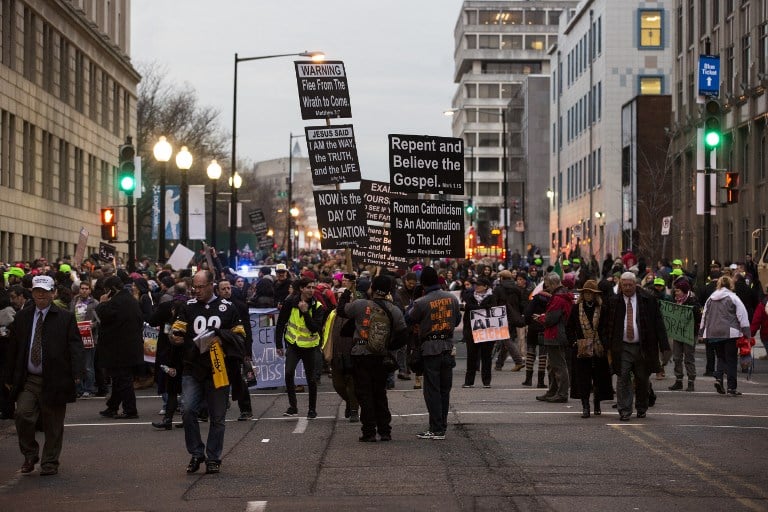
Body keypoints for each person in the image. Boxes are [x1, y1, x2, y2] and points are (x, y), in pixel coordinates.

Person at [4, 275, 84, 476]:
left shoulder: (65, 317)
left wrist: (77, 373)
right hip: (29, 379)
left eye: (46, 291)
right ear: (32, 292)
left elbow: (75, 346)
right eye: (38, 291)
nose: (42, 295)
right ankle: (30, 454)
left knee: (53, 424)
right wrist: (7, 376)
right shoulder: (23, 317)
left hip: (56, 379)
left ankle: (50, 462)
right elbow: (13, 348)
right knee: (23, 415)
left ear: (53, 293)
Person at [172, 270, 246, 474]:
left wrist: (222, 337)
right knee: (187, 410)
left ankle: (213, 457)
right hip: (192, 367)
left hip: (218, 368)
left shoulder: (228, 308)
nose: (196, 291)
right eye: (194, 287)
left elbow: (240, 335)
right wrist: (175, 336)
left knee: (218, 416)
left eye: (200, 287)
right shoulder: (187, 307)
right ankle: (196, 452)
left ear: (211, 285)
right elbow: (177, 329)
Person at [337, 275, 407, 442]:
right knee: (380, 393)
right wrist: (389, 347)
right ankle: (385, 431)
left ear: (372, 289)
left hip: (361, 355)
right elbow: (404, 334)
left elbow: (340, 310)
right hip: (381, 357)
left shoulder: (361, 305)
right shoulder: (394, 310)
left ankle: (368, 432)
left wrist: (347, 290)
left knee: (364, 394)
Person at [406, 267, 461, 440]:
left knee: (432, 390)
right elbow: (457, 319)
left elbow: (408, 318)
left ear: (423, 283)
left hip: (430, 348)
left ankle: (436, 428)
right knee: (445, 389)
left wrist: (413, 301)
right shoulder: (452, 298)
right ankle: (441, 426)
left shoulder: (422, 302)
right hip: (447, 346)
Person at [606, 272, 669, 421]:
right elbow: (607, 325)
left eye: (630, 285)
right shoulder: (614, 301)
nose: (627, 288)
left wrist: (664, 346)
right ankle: (624, 410)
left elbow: (658, 323)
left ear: (635, 285)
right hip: (622, 347)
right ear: (621, 285)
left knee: (642, 379)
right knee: (623, 377)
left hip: (643, 347)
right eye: (624, 285)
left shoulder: (648, 300)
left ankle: (641, 407)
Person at [275, 277, 327, 419]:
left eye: (313, 287)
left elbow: (314, 328)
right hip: (293, 345)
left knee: (311, 379)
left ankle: (312, 409)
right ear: (301, 289)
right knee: (288, 373)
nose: (311, 290)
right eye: (308, 287)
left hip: (310, 347)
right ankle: (293, 406)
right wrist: (278, 344)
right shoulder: (290, 303)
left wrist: (305, 312)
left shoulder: (317, 306)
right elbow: (280, 323)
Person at [95, 275, 144, 420]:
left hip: (119, 349)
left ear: (111, 289)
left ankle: (130, 410)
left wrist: (102, 302)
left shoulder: (116, 302)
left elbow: (103, 314)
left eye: (106, 290)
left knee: (123, 379)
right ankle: (112, 406)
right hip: (128, 347)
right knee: (118, 379)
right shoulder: (130, 300)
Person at [566, 279, 613, 417]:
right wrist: (574, 342)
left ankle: (597, 404)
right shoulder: (576, 308)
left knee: (598, 378)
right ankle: (585, 406)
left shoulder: (602, 308)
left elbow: (606, 328)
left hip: (599, 348)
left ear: (595, 295)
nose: (588, 295)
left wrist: (604, 344)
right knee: (583, 379)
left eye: (590, 293)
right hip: (582, 349)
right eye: (586, 293)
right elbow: (569, 328)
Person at [699, 275, 751, 396]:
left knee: (721, 357)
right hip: (730, 333)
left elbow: (704, 315)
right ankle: (731, 388)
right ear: (731, 285)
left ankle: (719, 378)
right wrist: (747, 332)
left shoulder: (710, 299)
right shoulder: (733, 298)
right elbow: (742, 315)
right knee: (731, 360)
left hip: (713, 333)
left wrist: (701, 331)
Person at [217, 280, 254, 421]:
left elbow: (247, 329)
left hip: (235, 348)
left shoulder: (239, 306)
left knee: (238, 379)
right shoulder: (214, 306)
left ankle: (246, 410)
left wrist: (247, 349)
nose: (227, 290)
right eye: (223, 288)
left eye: (228, 288)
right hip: (218, 347)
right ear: (218, 291)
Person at [534, 273, 573, 403]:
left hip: (555, 334)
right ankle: (553, 391)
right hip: (557, 334)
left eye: (548, 285)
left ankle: (561, 393)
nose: (547, 287)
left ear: (553, 284)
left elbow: (551, 319)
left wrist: (540, 318)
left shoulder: (557, 298)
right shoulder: (562, 296)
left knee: (558, 366)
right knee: (552, 366)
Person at [461, 276, 496, 388]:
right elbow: (468, 309)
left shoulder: (492, 297)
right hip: (471, 330)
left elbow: (494, 309)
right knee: (471, 356)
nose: (476, 286)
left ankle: (486, 382)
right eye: (475, 284)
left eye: (479, 285)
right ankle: (469, 382)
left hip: (487, 331)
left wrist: (480, 308)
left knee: (486, 356)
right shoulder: (470, 296)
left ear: (486, 287)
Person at [668, 278, 702, 392]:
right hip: (677, 333)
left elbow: (698, 317)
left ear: (684, 291)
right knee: (677, 357)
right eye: (675, 290)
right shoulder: (675, 301)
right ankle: (678, 380)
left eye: (678, 291)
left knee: (689, 358)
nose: (676, 292)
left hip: (689, 334)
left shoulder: (693, 301)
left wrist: (691, 311)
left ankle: (691, 381)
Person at [491, 270, 526, 372]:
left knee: (505, 339)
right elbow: (521, 304)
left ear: (501, 278)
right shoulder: (517, 289)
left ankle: (518, 361)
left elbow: (494, 304)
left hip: (502, 317)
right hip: (514, 317)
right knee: (505, 341)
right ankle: (499, 364)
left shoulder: (498, 289)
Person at [71, 280, 99, 398]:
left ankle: (89, 388)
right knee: (78, 363)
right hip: (77, 337)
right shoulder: (74, 302)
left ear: (90, 290)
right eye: (82, 288)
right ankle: (79, 388)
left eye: (86, 288)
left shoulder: (95, 303)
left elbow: (99, 320)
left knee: (88, 365)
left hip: (90, 337)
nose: (84, 290)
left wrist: (93, 325)